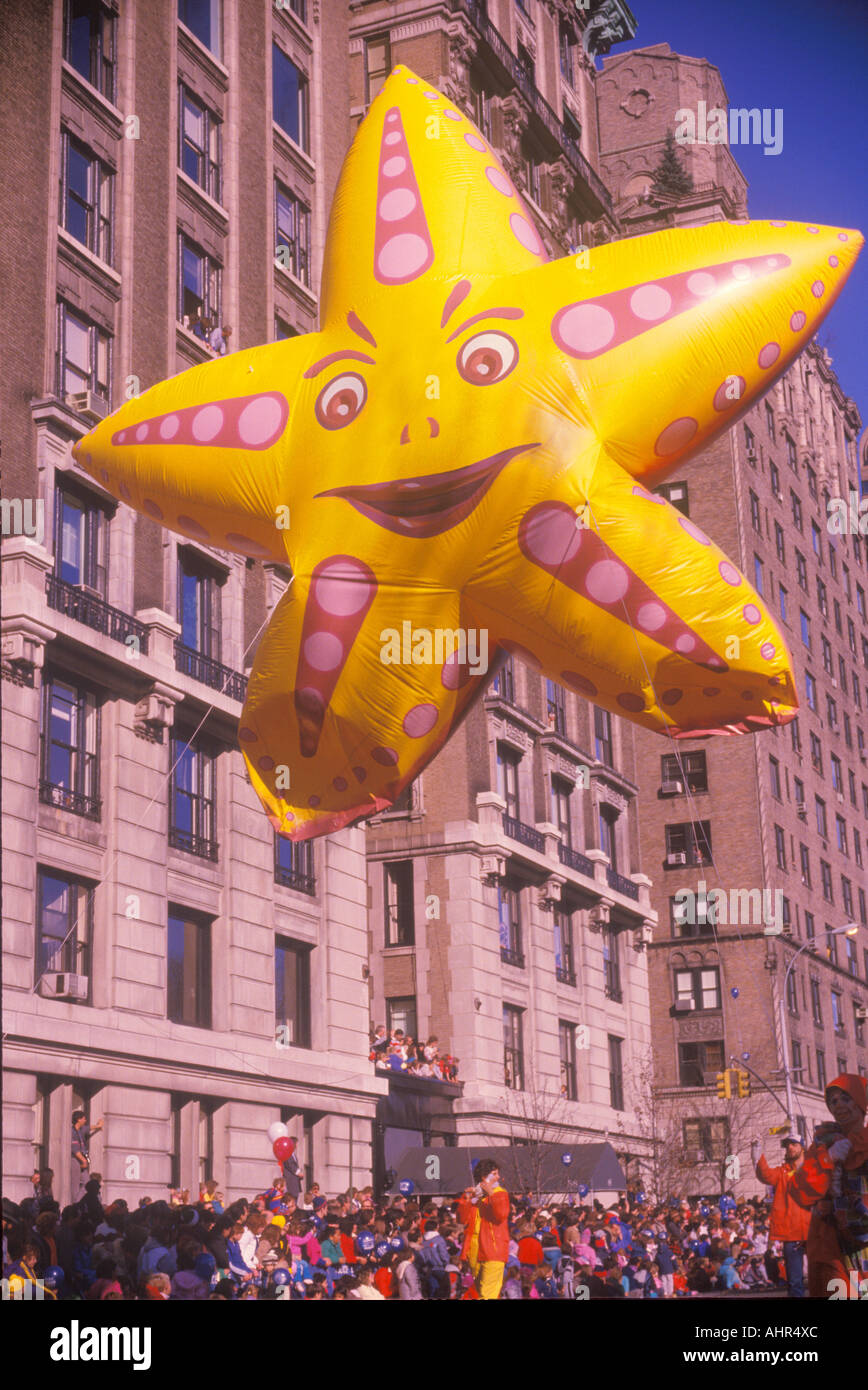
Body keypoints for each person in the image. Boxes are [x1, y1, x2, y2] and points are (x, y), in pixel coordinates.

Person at [791, 1073, 868, 1298]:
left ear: (861, 1102)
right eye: (833, 1101)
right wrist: (828, 1159)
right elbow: (801, 1191)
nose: (839, 1106)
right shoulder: (823, 1143)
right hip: (833, 1242)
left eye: (845, 1098)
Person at [751, 1133, 811, 1298]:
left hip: (814, 1231)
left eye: (794, 1144)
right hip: (792, 1233)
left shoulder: (812, 1168)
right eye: (787, 1145)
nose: (790, 1147)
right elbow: (764, 1175)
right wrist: (756, 1150)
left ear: (802, 1147)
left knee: (823, 1276)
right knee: (795, 1281)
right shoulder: (782, 1172)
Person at [469, 1159, 510, 1300]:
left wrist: (491, 1194)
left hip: (491, 1250)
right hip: (483, 1250)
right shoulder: (482, 1197)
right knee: (484, 1293)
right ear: (484, 1177)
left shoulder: (499, 1194)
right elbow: (464, 1220)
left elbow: (501, 1214)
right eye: (494, 1173)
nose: (498, 1177)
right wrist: (467, 1198)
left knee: (487, 1293)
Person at [71, 1111, 103, 1189]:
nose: (85, 1121)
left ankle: (79, 1200)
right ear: (79, 1119)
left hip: (82, 1160)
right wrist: (83, 1160)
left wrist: (98, 1126)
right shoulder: (72, 1132)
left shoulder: (81, 1129)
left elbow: (89, 1127)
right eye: (84, 1119)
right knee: (75, 1185)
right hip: (75, 1160)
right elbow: (75, 1149)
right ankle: (75, 1200)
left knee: (86, 1183)